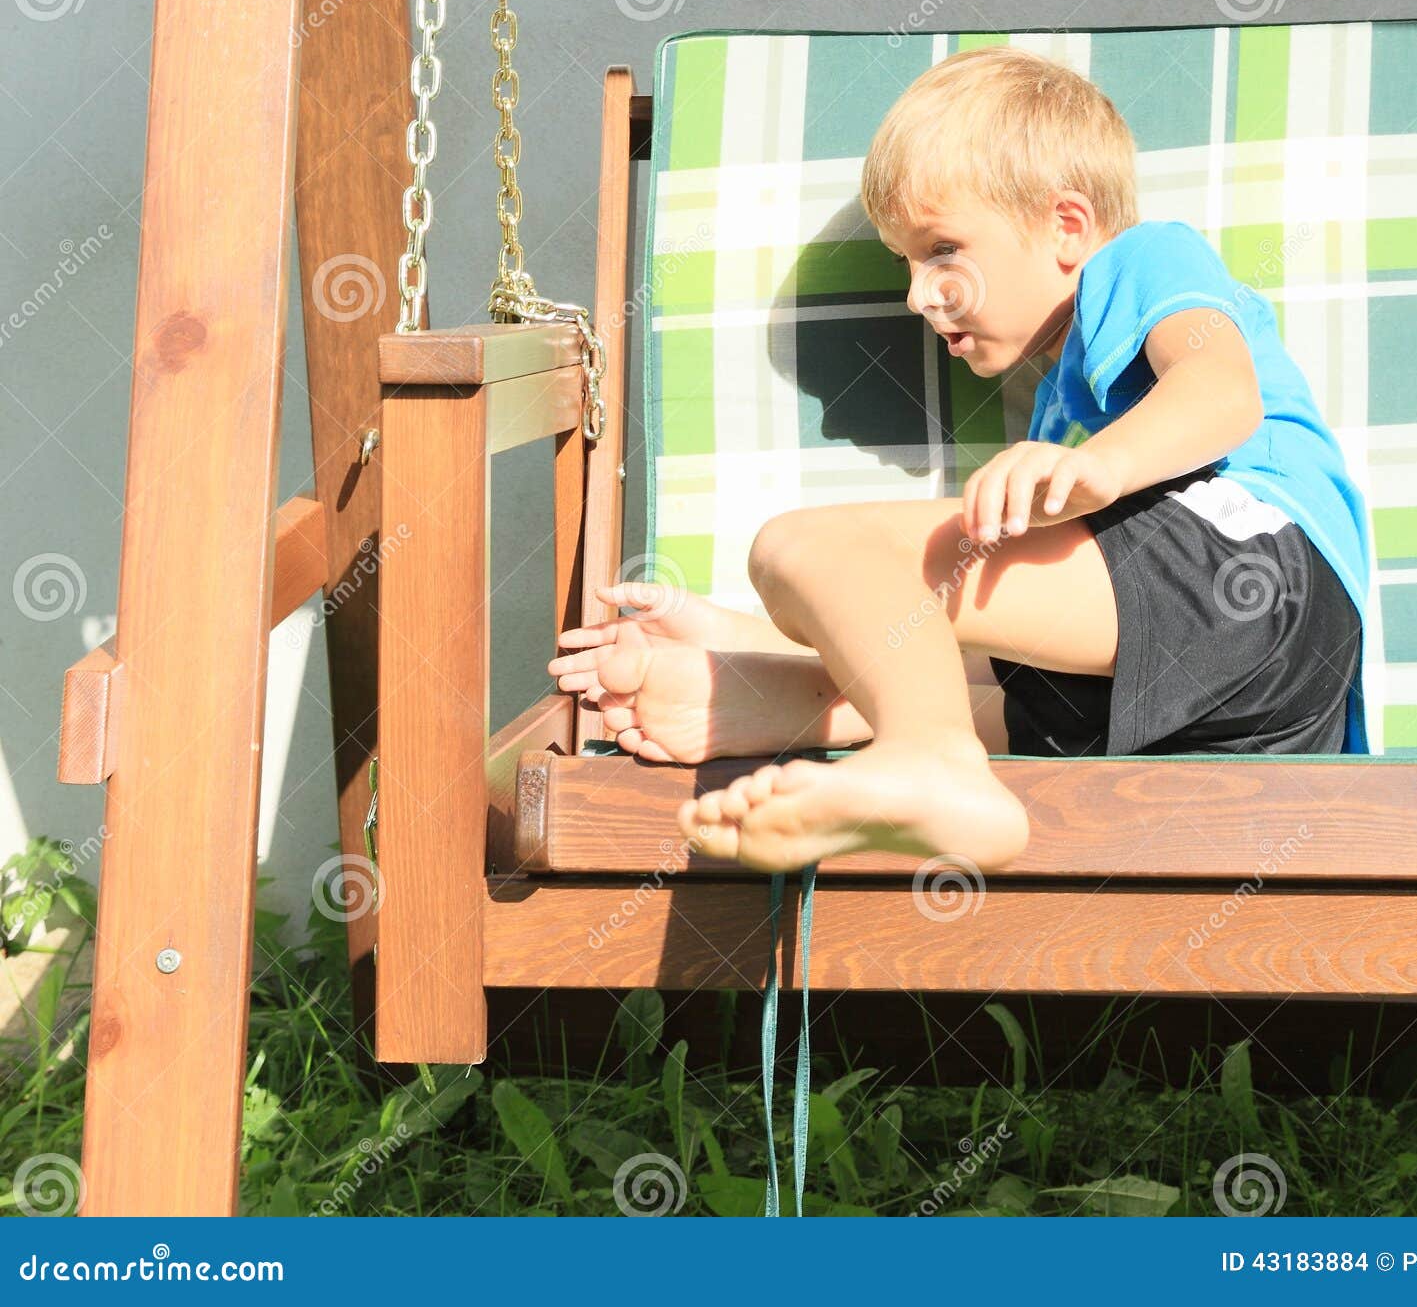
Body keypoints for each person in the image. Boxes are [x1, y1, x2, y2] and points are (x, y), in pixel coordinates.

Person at [547, 46, 1372, 875]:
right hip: (1225, 704)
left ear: (1067, 226)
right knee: (993, 690)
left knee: (800, 547)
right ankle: (777, 694)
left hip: (1260, 570)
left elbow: (1222, 393)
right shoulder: (1060, 414)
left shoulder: (1147, 258)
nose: (916, 294)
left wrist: (1101, 468)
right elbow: (960, 631)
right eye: (908, 264)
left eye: (941, 249)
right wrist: (737, 635)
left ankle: (932, 761)